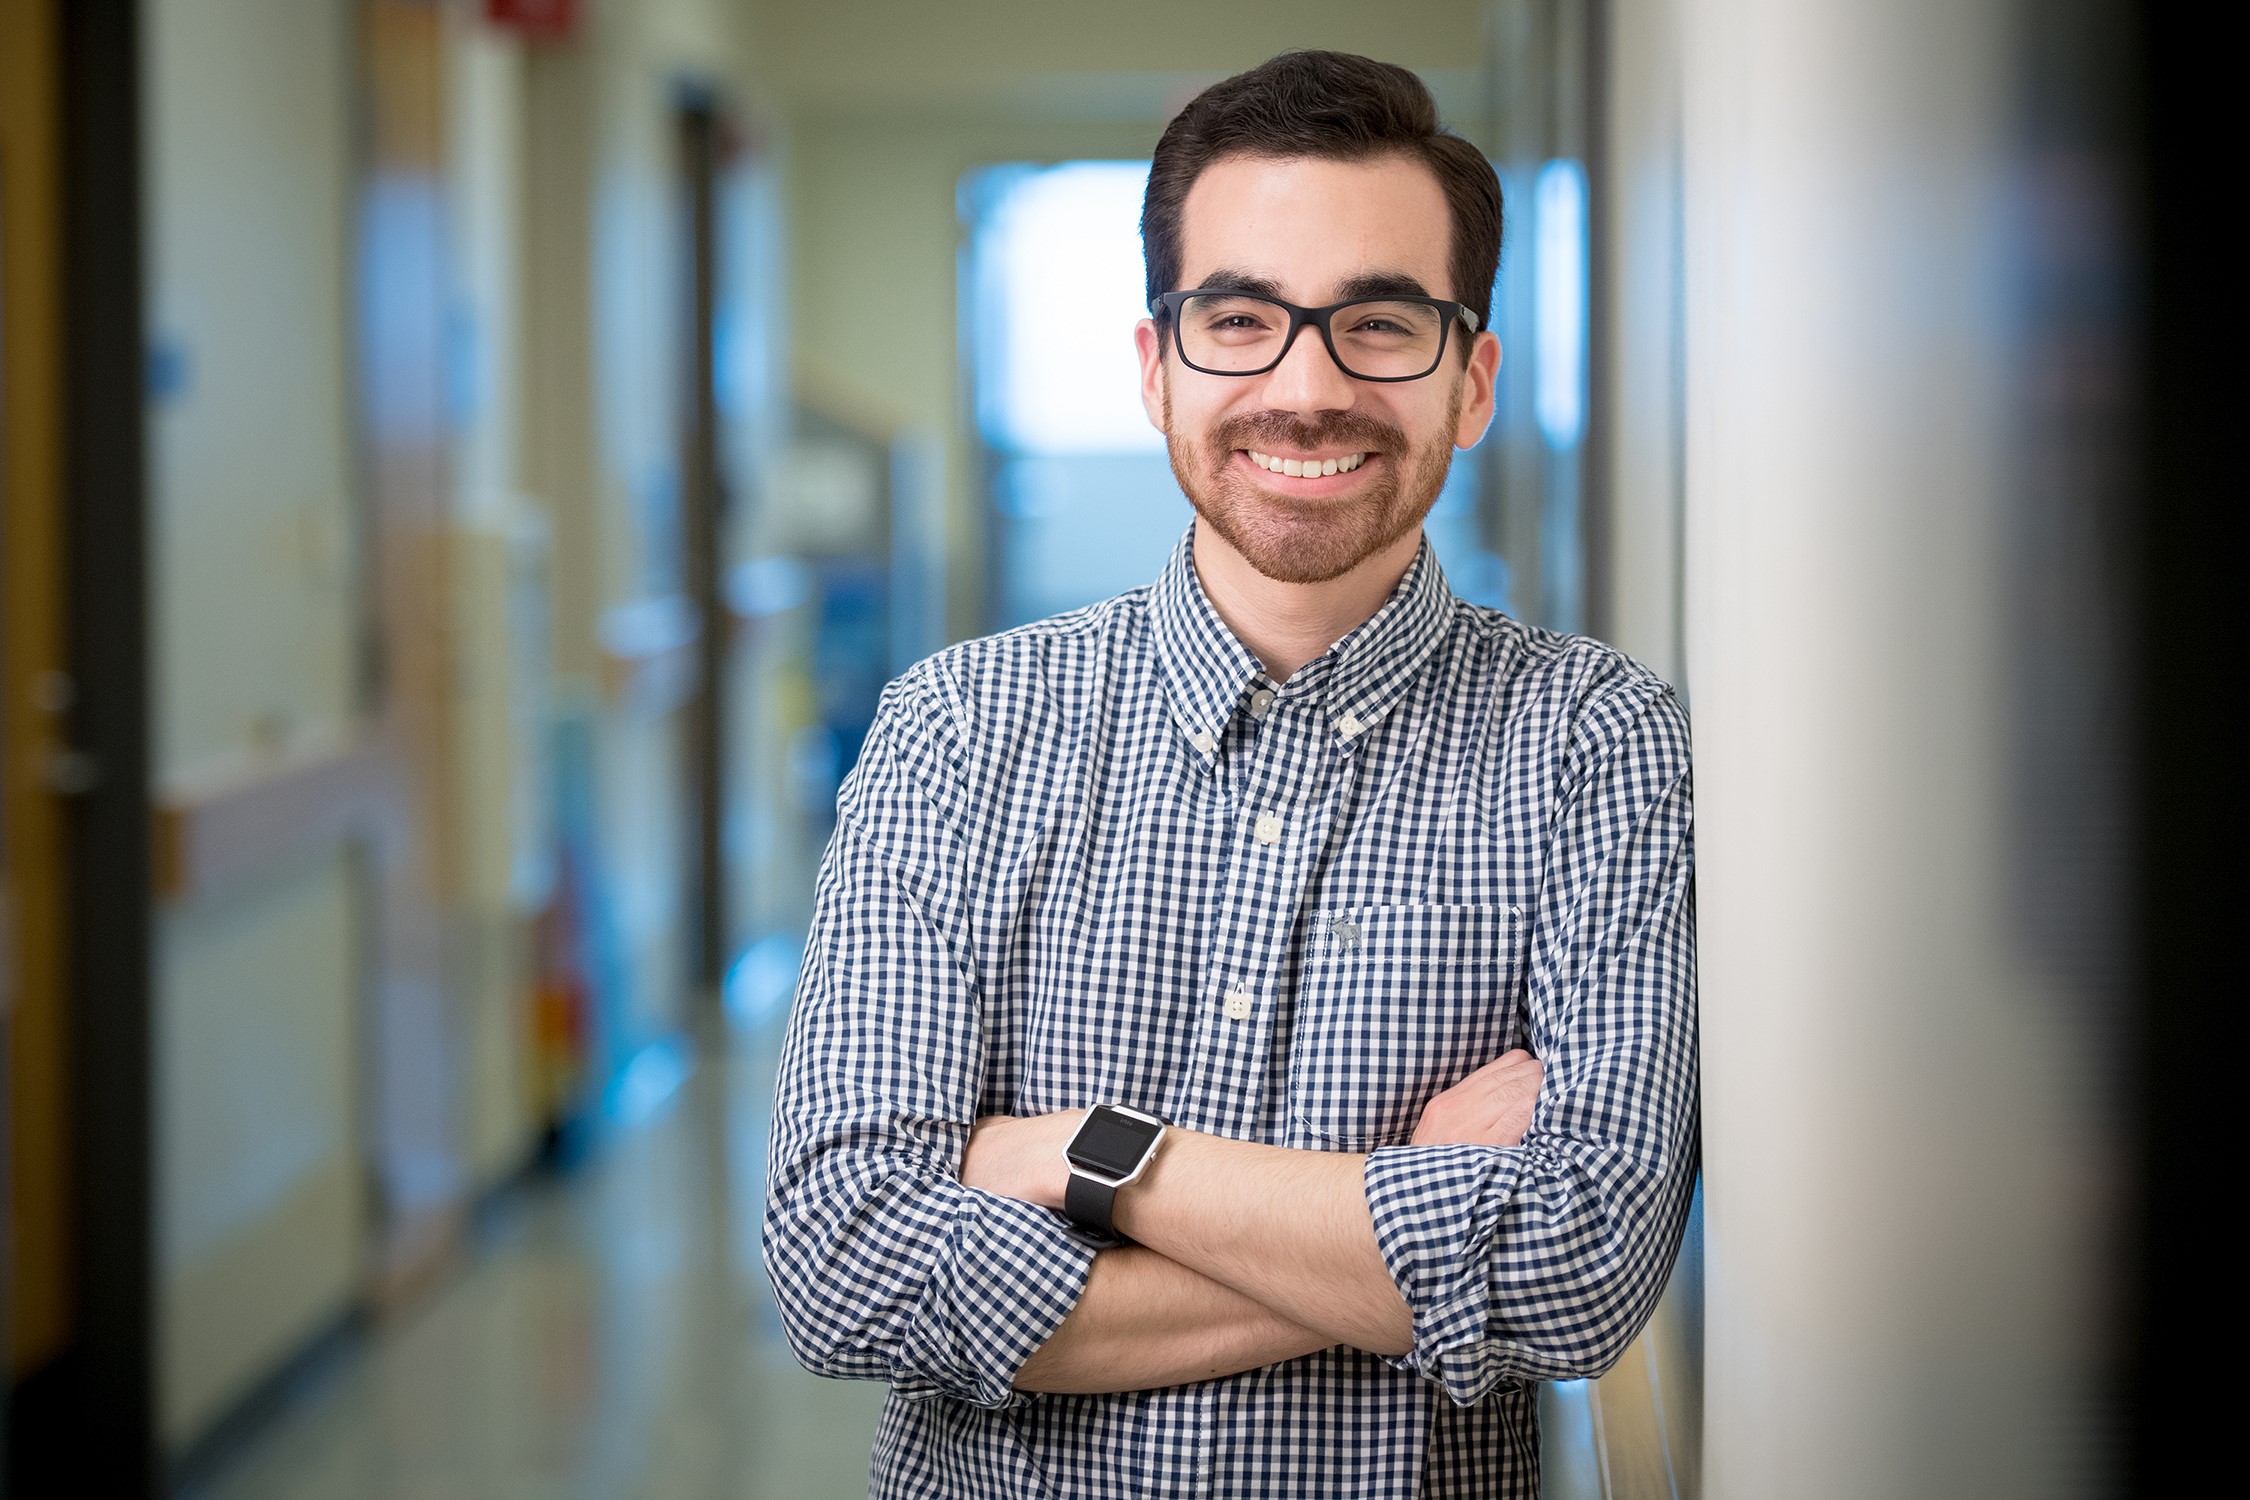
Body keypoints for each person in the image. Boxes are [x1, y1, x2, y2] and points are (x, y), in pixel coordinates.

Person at [763, 50, 1697, 1500]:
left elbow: (1575, 1272)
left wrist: (1087, 1157)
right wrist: (1404, 1225)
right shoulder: (957, 729)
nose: (1306, 386)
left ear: (1471, 380)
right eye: (1240, 318)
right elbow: (844, 1268)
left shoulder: (1598, 746)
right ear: (1156, 368)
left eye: (1379, 323)